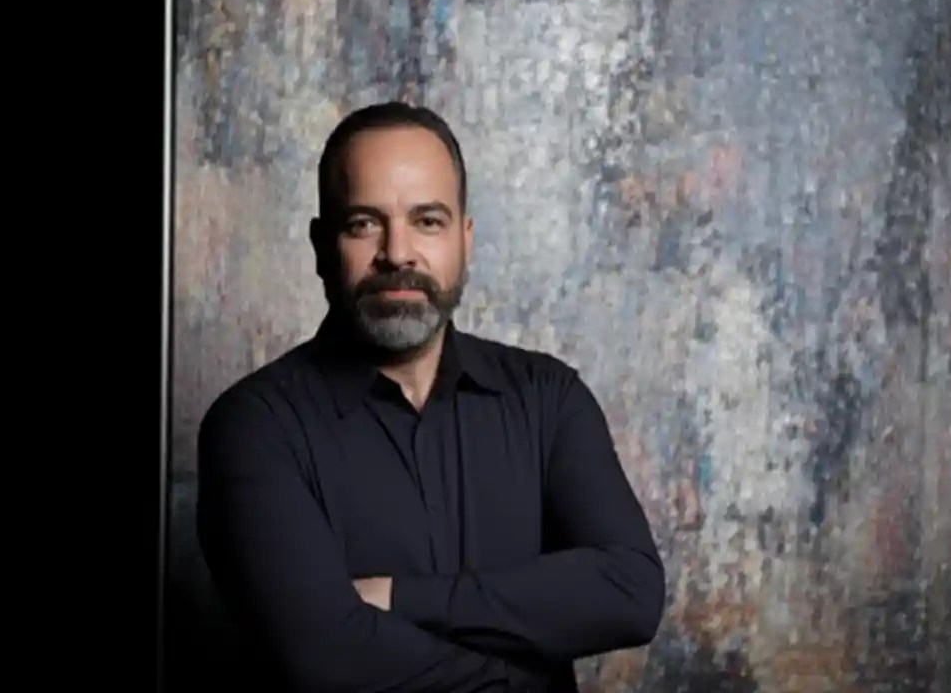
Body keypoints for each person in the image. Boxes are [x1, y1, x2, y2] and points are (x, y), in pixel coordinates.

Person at [197, 101, 665, 692]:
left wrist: (399, 598)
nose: (398, 253)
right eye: (364, 223)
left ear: (464, 240)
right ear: (320, 247)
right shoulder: (254, 428)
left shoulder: (548, 399)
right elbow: (325, 657)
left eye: (428, 221)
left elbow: (631, 593)